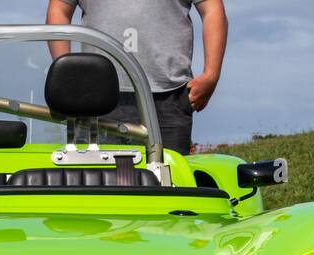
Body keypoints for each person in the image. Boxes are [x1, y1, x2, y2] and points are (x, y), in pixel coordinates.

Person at [45, 0, 228, 155]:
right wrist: (67, 74)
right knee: (99, 184)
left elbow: (212, 8)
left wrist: (211, 75)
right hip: (96, 96)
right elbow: (59, 8)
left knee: (168, 184)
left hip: (169, 97)